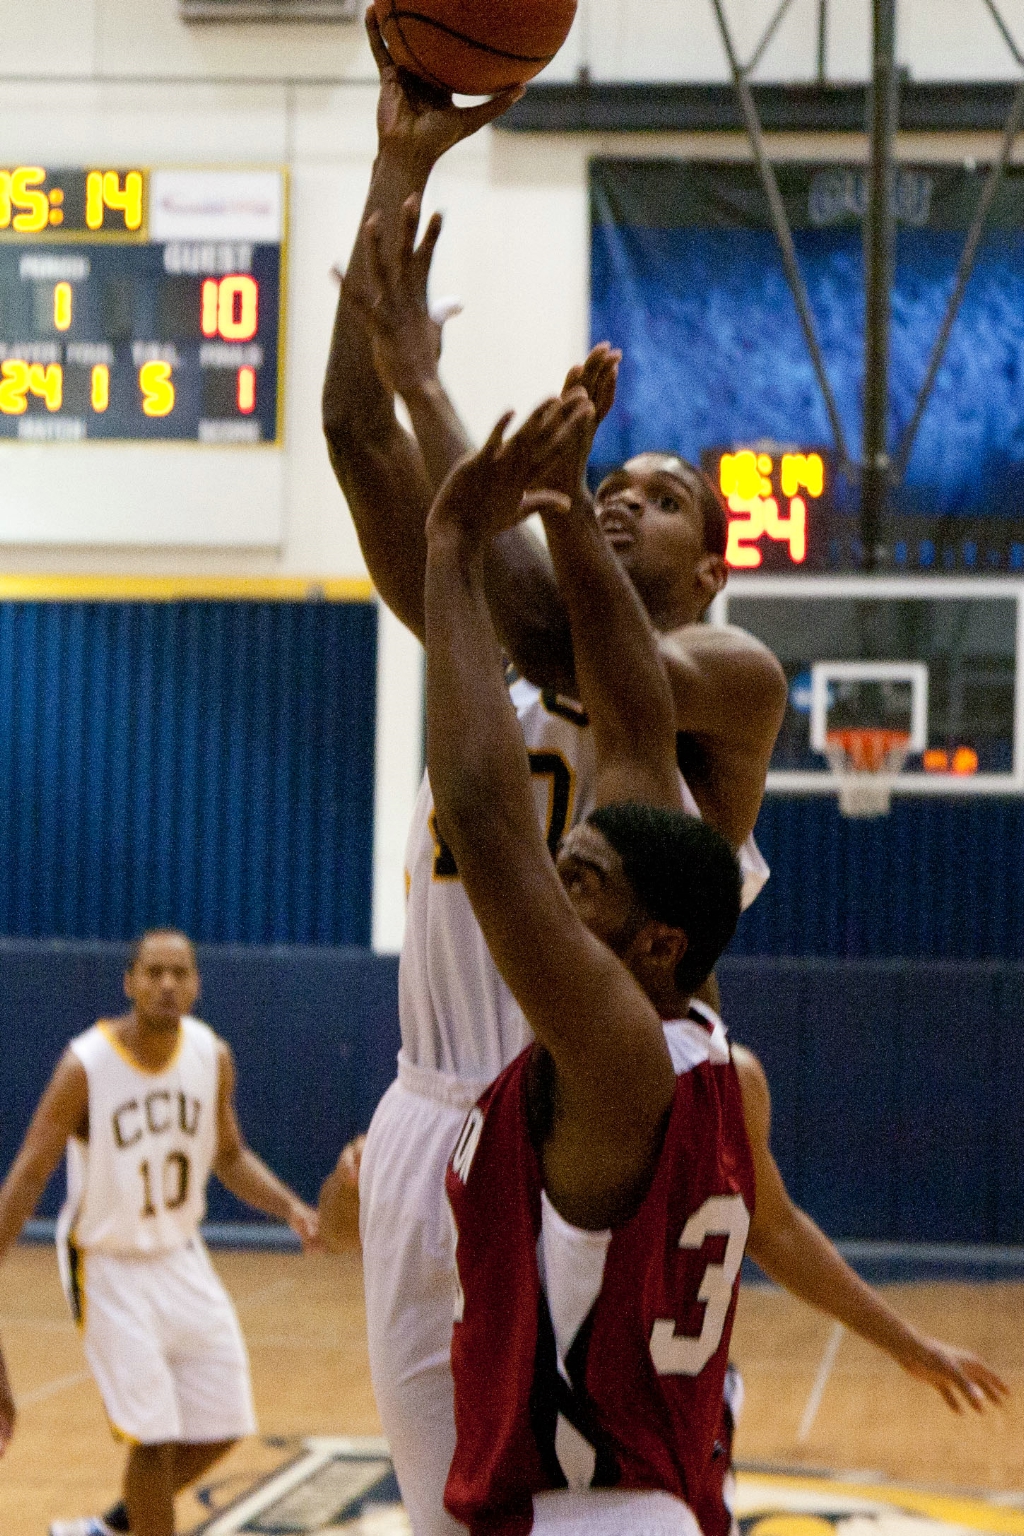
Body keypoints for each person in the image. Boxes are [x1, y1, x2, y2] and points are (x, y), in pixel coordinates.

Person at [321, 28, 785, 1533]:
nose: (621, 497)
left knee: (587, 1493)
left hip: (590, 1126)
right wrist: (394, 176)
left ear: (711, 566)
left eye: (658, 497)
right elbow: (351, 440)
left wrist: (440, 395)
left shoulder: (724, 681)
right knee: (447, 1511)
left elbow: (545, 618)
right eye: (612, 483)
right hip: (430, 1107)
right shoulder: (518, 654)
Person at [421, 409, 1009, 1536]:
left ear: (656, 942)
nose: (563, 887)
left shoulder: (606, 1050)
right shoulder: (728, 1075)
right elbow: (777, 1229)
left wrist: (478, 525)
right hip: (683, 1484)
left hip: (583, 1503)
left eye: (582, 880)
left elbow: (503, 813)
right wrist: (906, 1340)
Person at [0, 928, 320, 1536]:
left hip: (181, 1255)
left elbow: (229, 1155)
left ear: (197, 984)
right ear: (130, 982)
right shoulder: (85, 1065)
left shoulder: (211, 1054)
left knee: (222, 1425)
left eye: (180, 973)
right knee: (153, 1440)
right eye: (154, 972)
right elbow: (28, 1174)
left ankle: (109, 1527)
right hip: (107, 1262)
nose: (167, 984)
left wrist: (291, 1208)